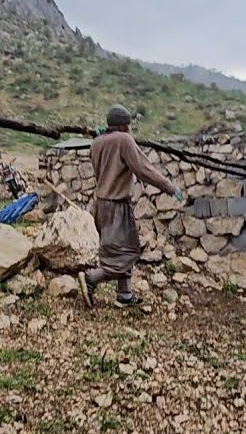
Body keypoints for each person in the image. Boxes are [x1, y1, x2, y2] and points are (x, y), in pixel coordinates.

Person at [79, 105, 184, 308]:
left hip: (100, 204)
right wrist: (169, 187)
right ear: (123, 125)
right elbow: (144, 169)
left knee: (120, 248)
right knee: (126, 253)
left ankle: (124, 295)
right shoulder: (124, 140)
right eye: (127, 125)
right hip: (117, 205)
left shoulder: (97, 143)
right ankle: (91, 278)